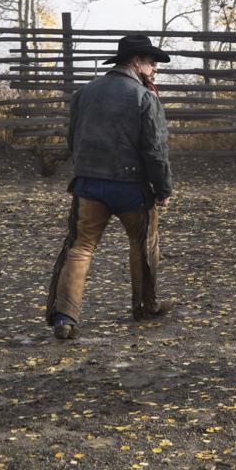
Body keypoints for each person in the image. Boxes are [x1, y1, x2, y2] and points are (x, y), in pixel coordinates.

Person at [46, 34, 175, 339]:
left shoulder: (84, 93)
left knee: (80, 248)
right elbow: (155, 150)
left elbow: (72, 140)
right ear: (135, 62)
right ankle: (145, 307)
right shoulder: (145, 98)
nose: (155, 68)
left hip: (88, 185)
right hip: (131, 188)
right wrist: (163, 189)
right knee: (143, 245)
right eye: (151, 61)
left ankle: (65, 317)